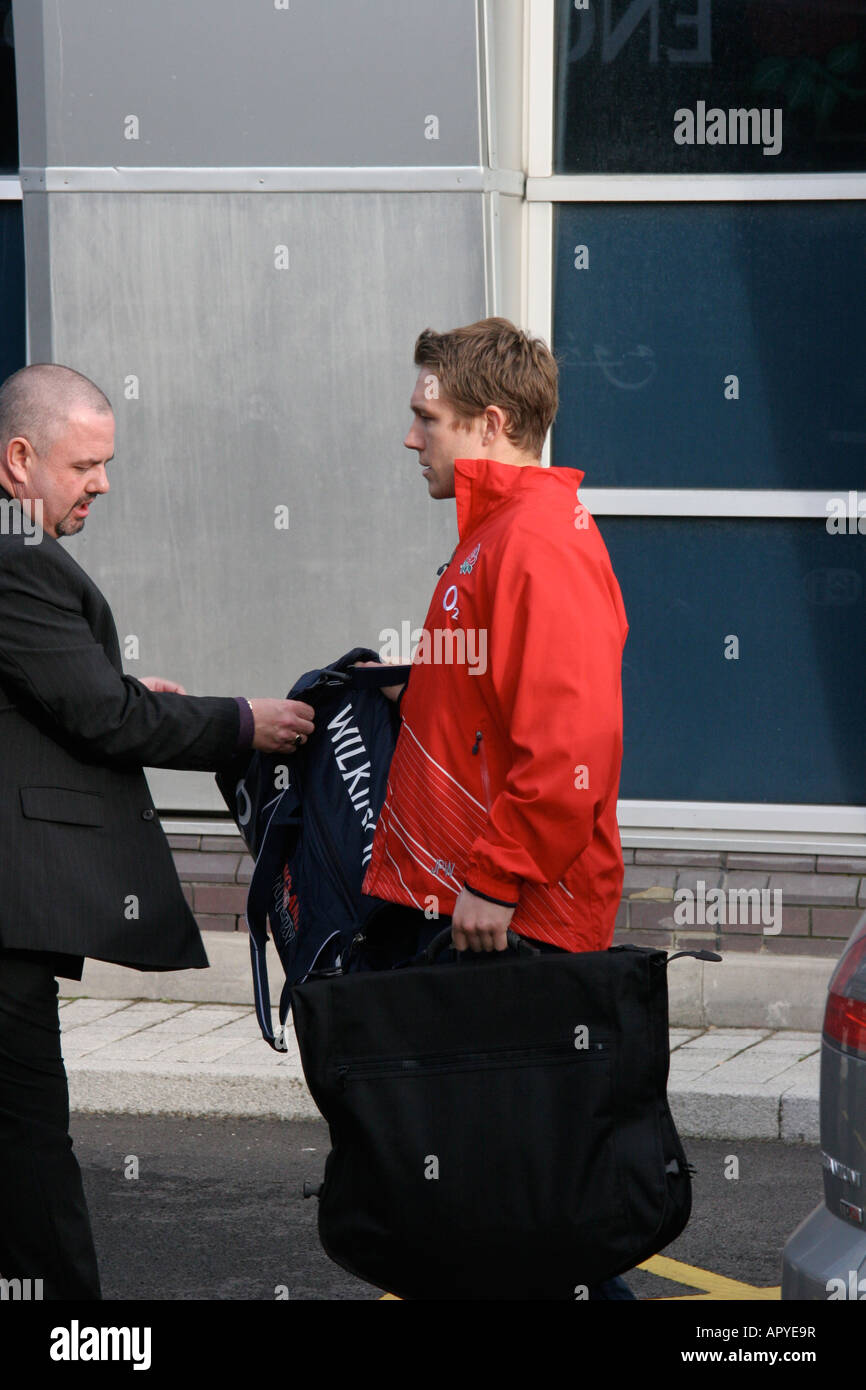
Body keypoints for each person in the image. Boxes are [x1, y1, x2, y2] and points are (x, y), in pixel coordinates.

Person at [0, 363, 316, 1300]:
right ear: (20, 459)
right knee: (27, 1150)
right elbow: (101, 719)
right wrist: (242, 723)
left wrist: (129, 697)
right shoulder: (15, 555)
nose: (102, 482)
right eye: (86, 463)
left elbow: (57, 700)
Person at [360, 318, 633, 1298]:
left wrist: (496, 879)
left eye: (423, 417)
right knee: (496, 1202)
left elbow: (569, 741)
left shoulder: (532, 541)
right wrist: (409, 683)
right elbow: (501, 700)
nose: (409, 438)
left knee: (520, 1206)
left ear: (488, 419)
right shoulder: (496, 536)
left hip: (511, 922)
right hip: (478, 913)